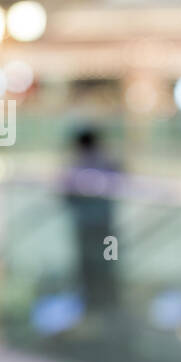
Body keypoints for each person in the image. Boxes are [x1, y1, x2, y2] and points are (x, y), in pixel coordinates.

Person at [62, 127, 122, 328]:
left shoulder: (79, 166)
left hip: (88, 225)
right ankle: (103, 305)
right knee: (104, 263)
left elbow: (66, 194)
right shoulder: (107, 162)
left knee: (90, 265)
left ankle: (97, 306)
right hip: (102, 224)